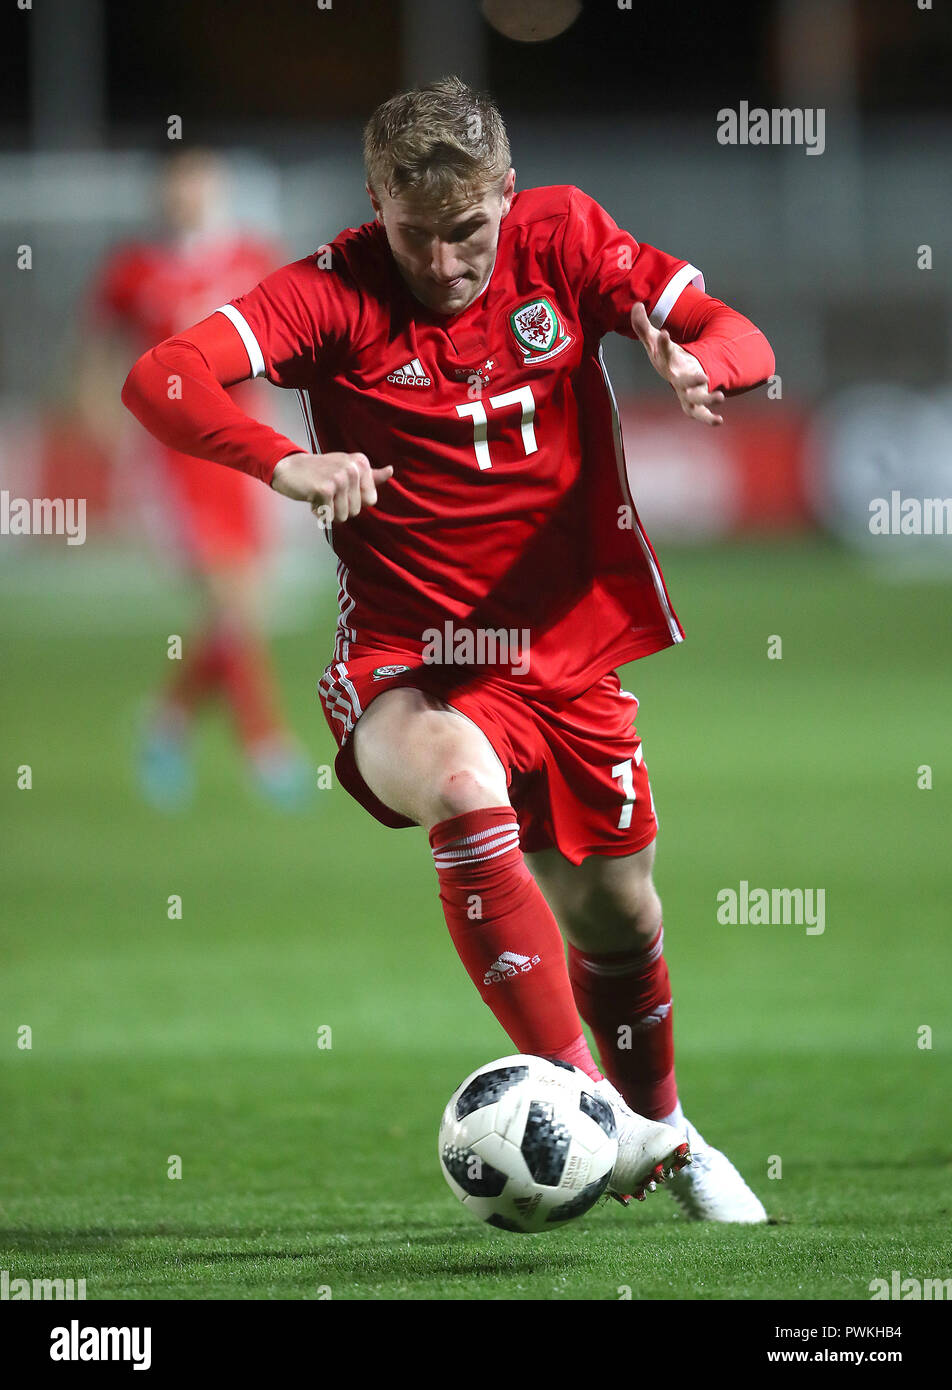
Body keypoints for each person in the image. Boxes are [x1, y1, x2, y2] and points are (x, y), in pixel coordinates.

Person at [122, 78, 776, 1219]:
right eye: (412, 231)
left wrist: (698, 367)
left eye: (466, 228)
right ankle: (592, 1108)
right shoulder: (329, 290)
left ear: (505, 195)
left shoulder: (563, 235)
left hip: (570, 656)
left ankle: (662, 1120)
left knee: (619, 919)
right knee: (463, 790)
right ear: (375, 202)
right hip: (408, 659)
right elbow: (161, 376)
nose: (442, 258)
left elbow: (737, 334)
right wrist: (280, 461)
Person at [84, 149, 311, 809]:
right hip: (175, 454)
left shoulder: (251, 257)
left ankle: (167, 721)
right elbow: (97, 349)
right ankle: (267, 748)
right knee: (229, 600)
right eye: (176, 184)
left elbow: (295, 333)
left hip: (246, 449)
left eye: (198, 184)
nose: (186, 195)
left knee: (239, 609)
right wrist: (102, 413)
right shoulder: (135, 270)